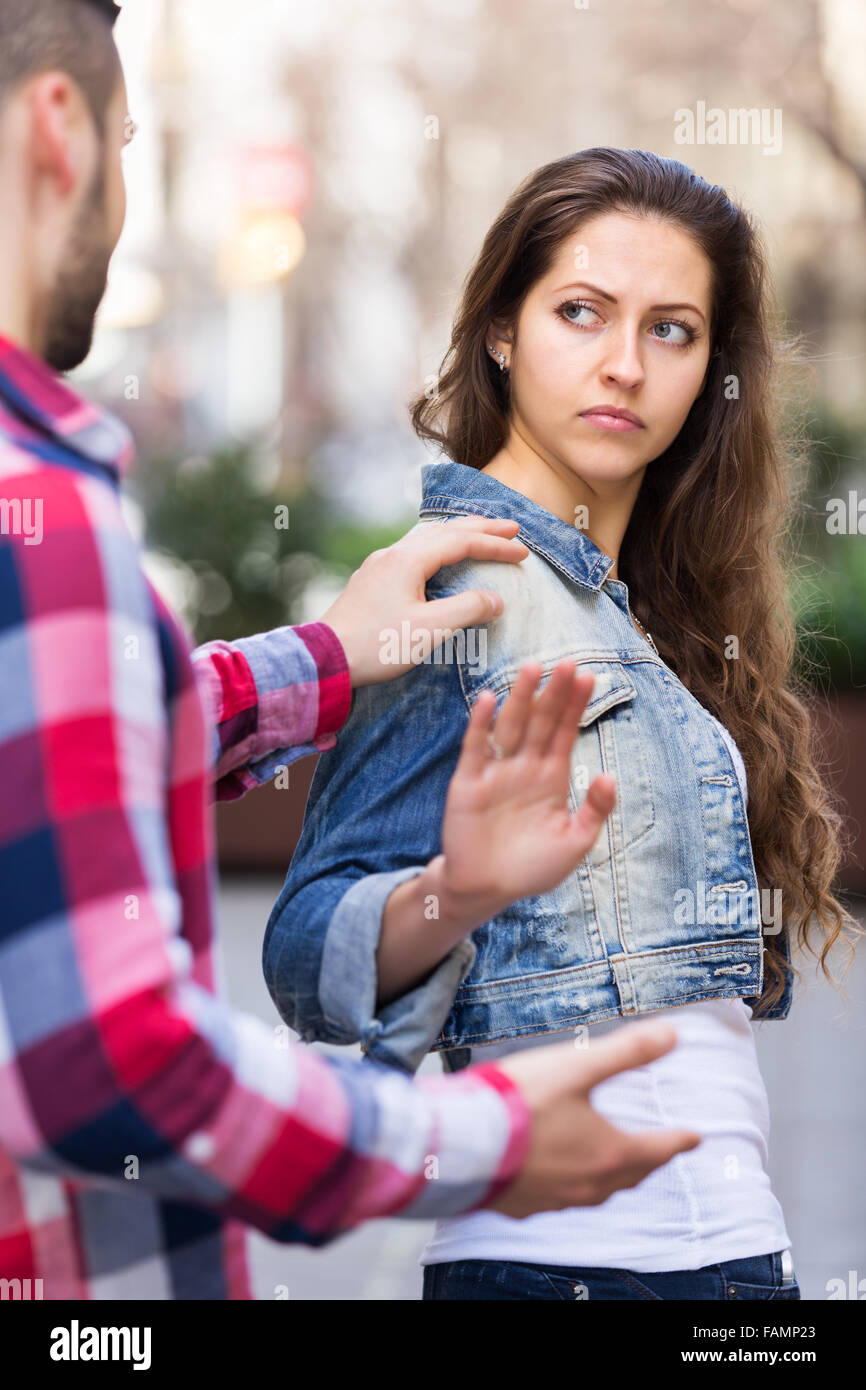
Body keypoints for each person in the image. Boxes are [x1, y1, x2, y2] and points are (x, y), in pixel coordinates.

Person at [0, 1, 702, 1301]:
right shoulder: (36, 512)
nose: (625, 363)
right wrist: (476, 1135)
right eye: (134, 137)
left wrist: (327, 654)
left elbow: (58, 739)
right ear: (62, 130)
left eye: (673, 327)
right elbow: (114, 1062)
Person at [264, 147, 861, 1300]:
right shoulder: (460, 585)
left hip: (735, 1264)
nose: (623, 365)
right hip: (565, 1266)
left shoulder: (655, 609)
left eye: (671, 330)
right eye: (579, 312)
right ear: (500, 327)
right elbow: (301, 951)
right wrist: (461, 888)